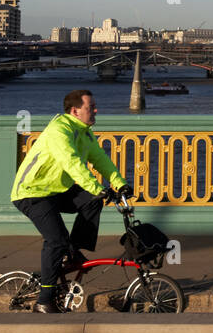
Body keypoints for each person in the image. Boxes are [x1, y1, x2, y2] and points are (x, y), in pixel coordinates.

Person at [11, 89, 130, 313]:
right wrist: (98, 188)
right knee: (55, 241)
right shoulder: (59, 130)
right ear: (75, 111)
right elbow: (72, 163)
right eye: (90, 107)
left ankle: (72, 252)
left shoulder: (84, 132)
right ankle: (44, 300)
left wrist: (120, 183)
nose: (95, 110)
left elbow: (100, 159)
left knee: (93, 201)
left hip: (56, 190)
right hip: (32, 192)